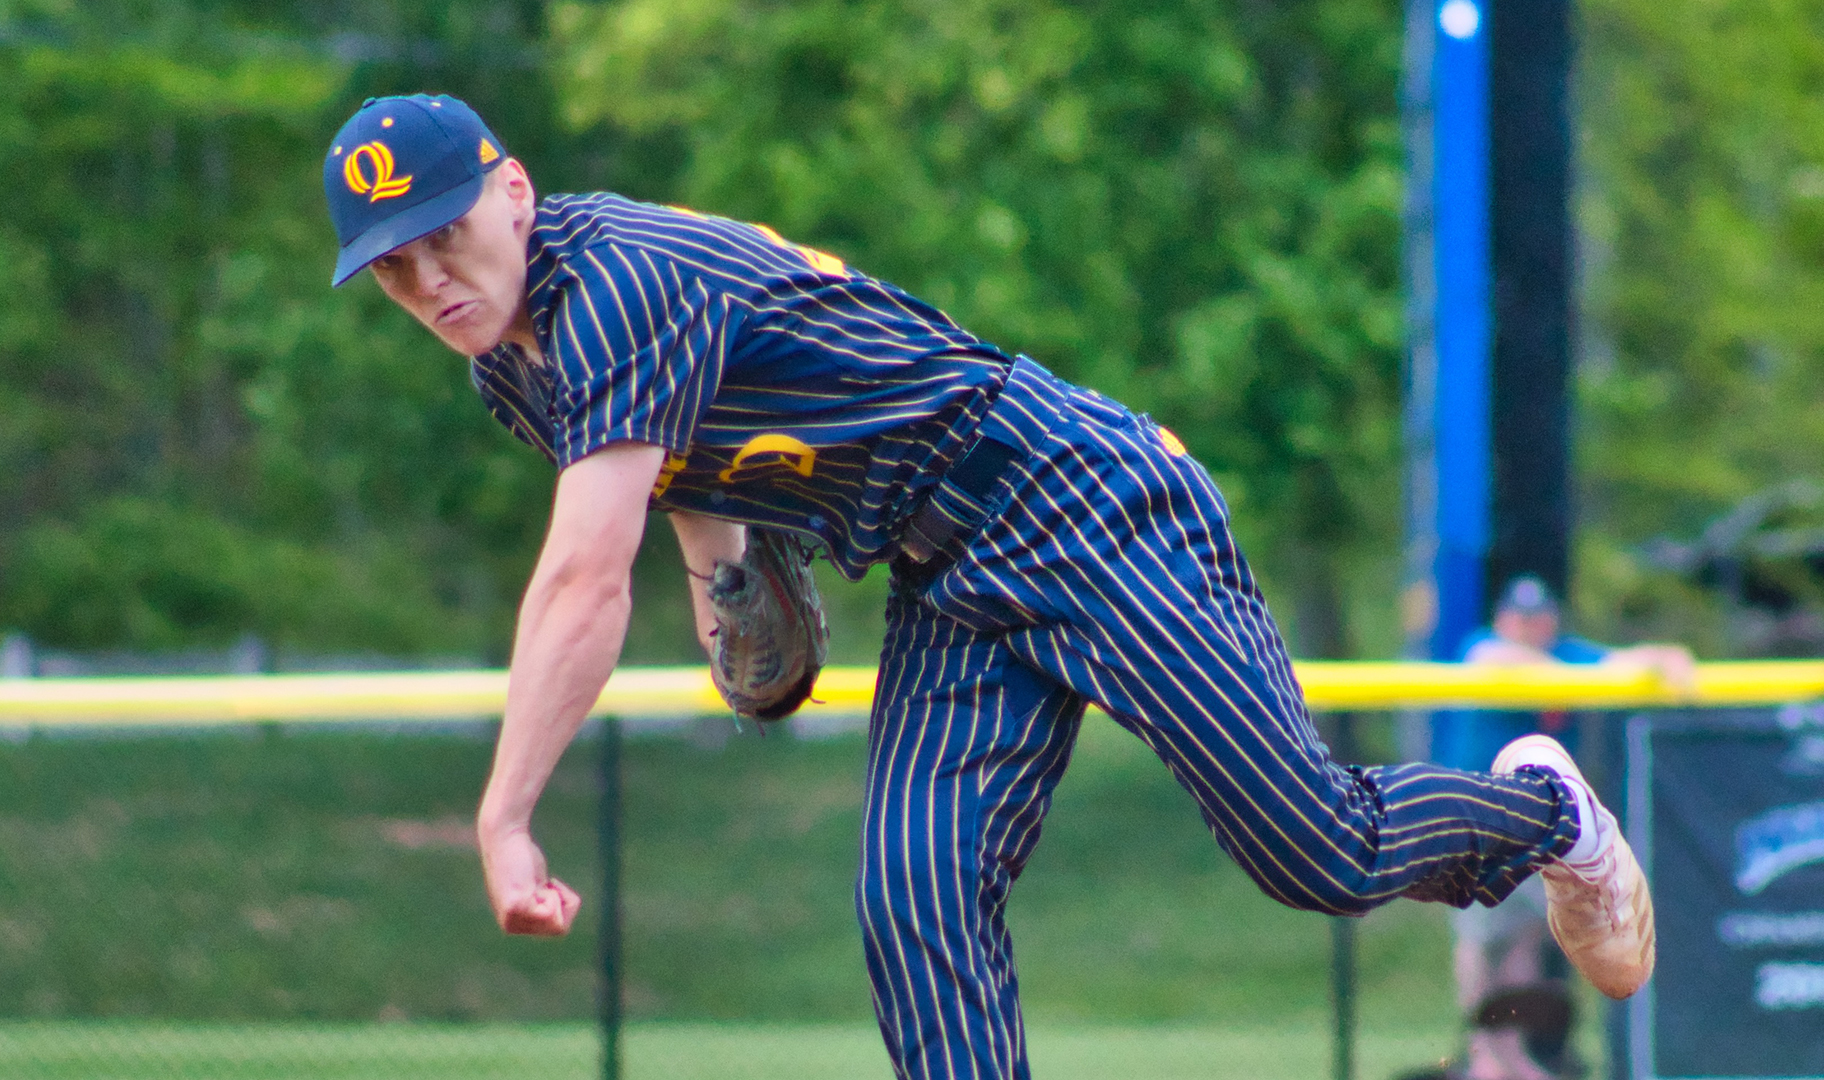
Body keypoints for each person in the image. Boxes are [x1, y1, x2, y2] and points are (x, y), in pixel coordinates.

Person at [322, 94, 1655, 1080]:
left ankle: (1544, 817)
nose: (430, 280)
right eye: (393, 264)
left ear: (514, 191)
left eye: (443, 234)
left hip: (1076, 497)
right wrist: (733, 595)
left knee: (1317, 851)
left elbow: (577, 581)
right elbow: (685, 494)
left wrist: (503, 818)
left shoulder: (612, 280)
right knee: (916, 894)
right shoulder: (515, 362)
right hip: (944, 569)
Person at [1421, 575, 1689, 1080]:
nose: (1528, 627)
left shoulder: (1566, 654)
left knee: (1526, 943)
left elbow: (1625, 660)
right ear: (1503, 619)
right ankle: (1482, 1054)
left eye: (1538, 616)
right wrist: (1580, 670)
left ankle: (1512, 1054)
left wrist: (1663, 656)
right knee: (1480, 942)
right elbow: (1495, 661)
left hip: (1530, 830)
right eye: (1519, 617)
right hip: (1473, 822)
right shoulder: (1488, 649)